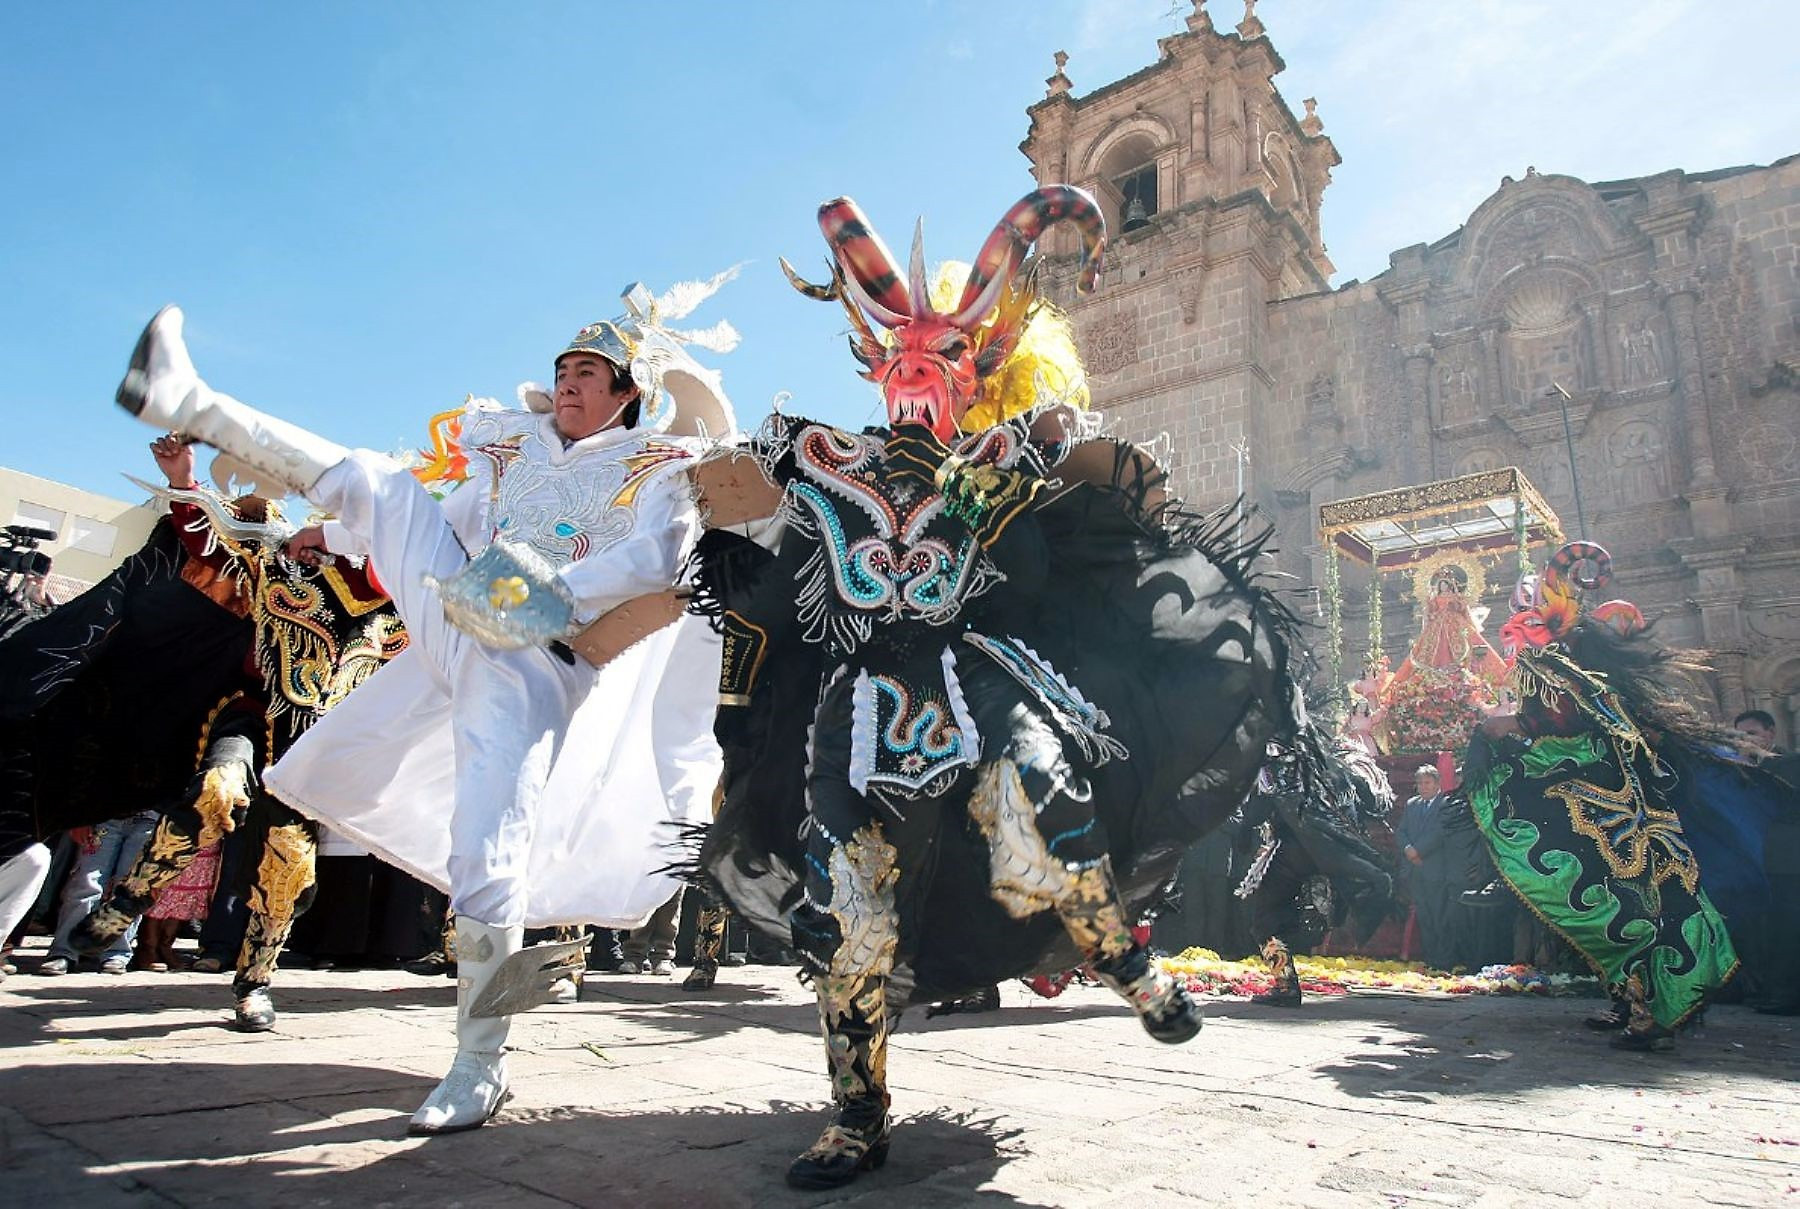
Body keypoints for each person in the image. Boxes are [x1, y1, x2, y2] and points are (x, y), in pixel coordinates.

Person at [690, 188, 1302, 1189]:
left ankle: (1118, 951)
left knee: (1039, 810)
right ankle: (855, 1114)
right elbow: (722, 512)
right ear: (876, 369)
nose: (917, 376)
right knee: (851, 909)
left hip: (979, 675)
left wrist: (1068, 482)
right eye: (899, 360)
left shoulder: (1006, 460)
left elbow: (1084, 515)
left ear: (980, 371)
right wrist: (706, 500)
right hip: (857, 702)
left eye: (943, 360)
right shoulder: (821, 455)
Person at [112, 279, 731, 1135]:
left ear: (627, 393)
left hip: (541, 659)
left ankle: (480, 1063)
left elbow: (660, 561)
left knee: (490, 846)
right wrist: (328, 532)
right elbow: (436, 516)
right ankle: (188, 399)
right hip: (465, 615)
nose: (569, 382)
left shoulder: (656, 469)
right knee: (380, 480)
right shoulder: (508, 449)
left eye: (590, 371)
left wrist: (543, 595)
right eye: (563, 367)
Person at [69, 440, 405, 1030]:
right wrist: (185, 481)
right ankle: (132, 896)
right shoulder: (281, 557)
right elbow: (210, 543)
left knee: (288, 869)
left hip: (314, 749)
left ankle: (254, 983)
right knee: (217, 792)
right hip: (252, 716)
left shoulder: (401, 610)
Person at [1461, 542, 1789, 1051]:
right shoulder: (1567, 674)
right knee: (1622, 912)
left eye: (1526, 624)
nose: (1514, 632)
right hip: (1606, 816)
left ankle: (1655, 1014)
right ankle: (1633, 1001)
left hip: (1621, 819)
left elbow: (1577, 727)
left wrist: (1513, 724)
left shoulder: (1572, 677)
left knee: (1641, 912)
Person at [34, 814, 157, 976]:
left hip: (151, 819)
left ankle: (117, 952)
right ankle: (64, 950)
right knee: (85, 883)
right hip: (104, 816)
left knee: (131, 889)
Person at [1394, 765, 1462, 969]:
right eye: (1420, 783)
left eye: (1427, 782)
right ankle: (1430, 958)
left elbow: (1440, 833)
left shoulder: (1446, 804)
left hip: (1436, 868)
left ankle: (1445, 960)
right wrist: (1408, 849)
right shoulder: (1412, 804)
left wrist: (1419, 851)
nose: (1423, 787)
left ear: (1437, 783)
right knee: (1424, 915)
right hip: (1415, 870)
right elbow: (1401, 831)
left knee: (1440, 914)